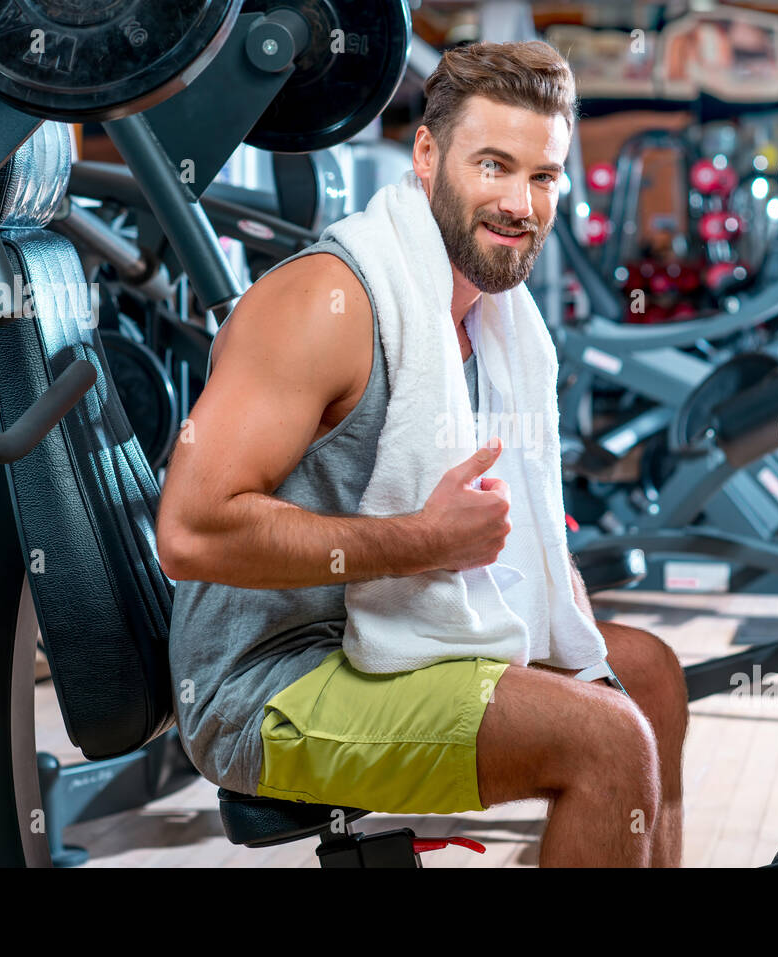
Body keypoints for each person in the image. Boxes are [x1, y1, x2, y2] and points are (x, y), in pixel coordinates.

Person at [156, 40, 689, 867]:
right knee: (606, 742)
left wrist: (563, 599)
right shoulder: (327, 304)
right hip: (267, 684)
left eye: (542, 177)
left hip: (385, 638)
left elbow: (528, 533)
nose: (519, 202)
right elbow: (190, 535)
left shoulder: (488, 320)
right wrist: (426, 541)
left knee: (650, 678)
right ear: (429, 155)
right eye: (493, 166)